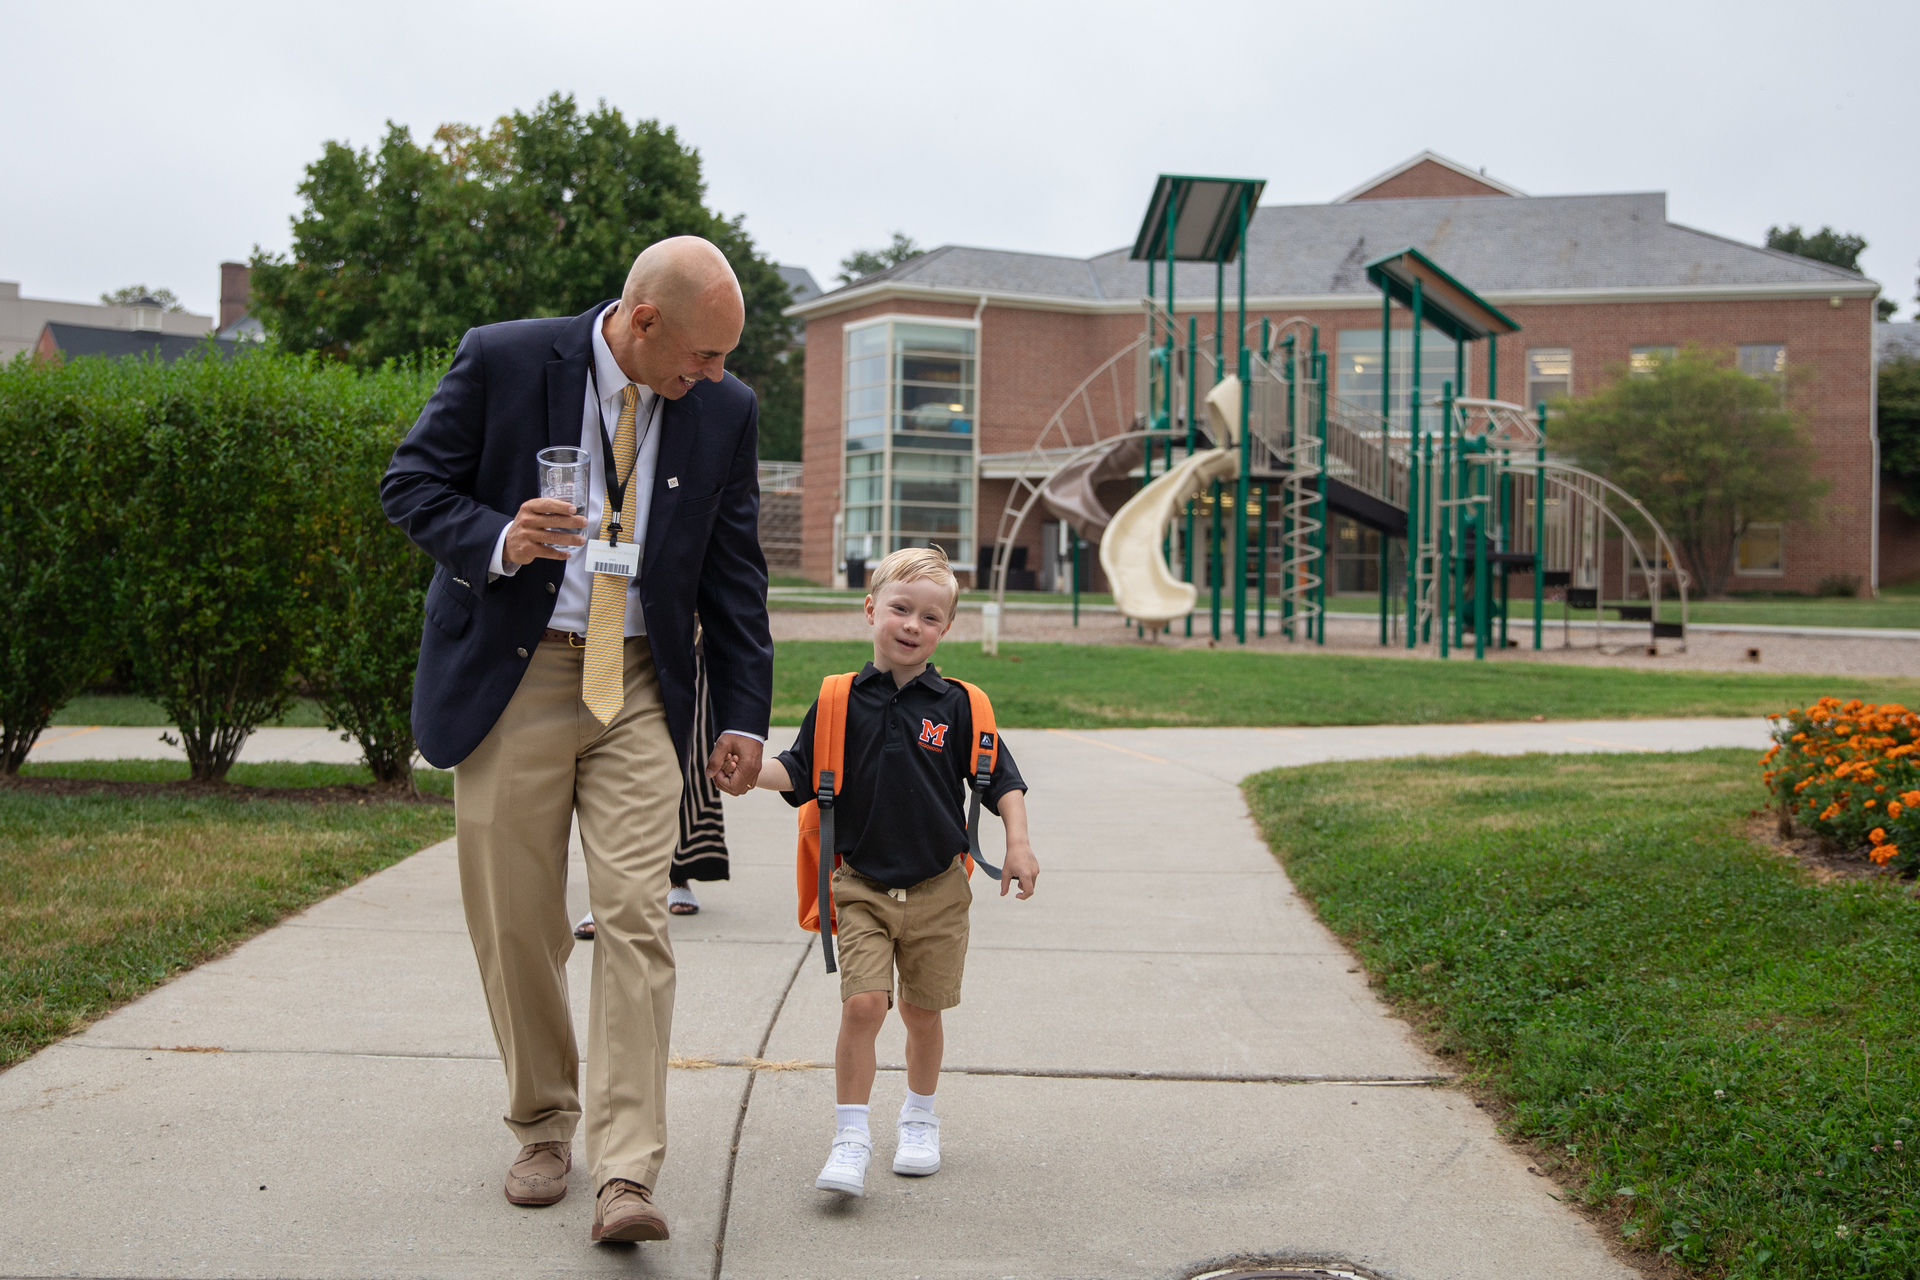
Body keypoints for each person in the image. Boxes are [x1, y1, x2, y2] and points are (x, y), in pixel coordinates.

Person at [380, 236, 773, 1246]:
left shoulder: (723, 409)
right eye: (703, 354)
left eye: (724, 359)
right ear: (644, 322)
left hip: (638, 681)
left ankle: (628, 1167)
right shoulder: (505, 357)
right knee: (518, 922)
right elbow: (411, 484)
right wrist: (500, 537)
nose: (714, 375)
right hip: (518, 671)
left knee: (636, 911)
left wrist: (741, 714)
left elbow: (735, 572)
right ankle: (543, 1126)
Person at [752, 546, 1039, 1197]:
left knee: (921, 1013)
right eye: (900, 609)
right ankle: (850, 1137)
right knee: (863, 1006)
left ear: (946, 628)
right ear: (870, 609)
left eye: (929, 617)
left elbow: (1003, 782)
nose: (912, 625)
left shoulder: (958, 706)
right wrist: (749, 774)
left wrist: (1018, 845)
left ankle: (919, 1119)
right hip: (861, 885)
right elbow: (796, 772)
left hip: (940, 888)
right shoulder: (838, 701)